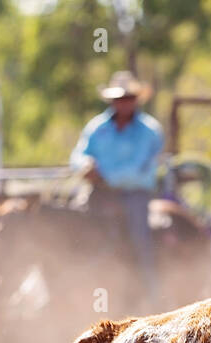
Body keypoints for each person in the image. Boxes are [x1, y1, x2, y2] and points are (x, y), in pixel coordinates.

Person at [70, 70, 163, 308]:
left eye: (128, 98)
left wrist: (103, 175)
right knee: (70, 223)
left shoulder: (149, 131)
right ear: (112, 100)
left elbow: (140, 170)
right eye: (119, 98)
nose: (123, 103)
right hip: (98, 192)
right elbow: (79, 154)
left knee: (139, 239)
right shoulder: (97, 127)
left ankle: (151, 296)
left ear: (136, 100)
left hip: (133, 194)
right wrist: (85, 166)